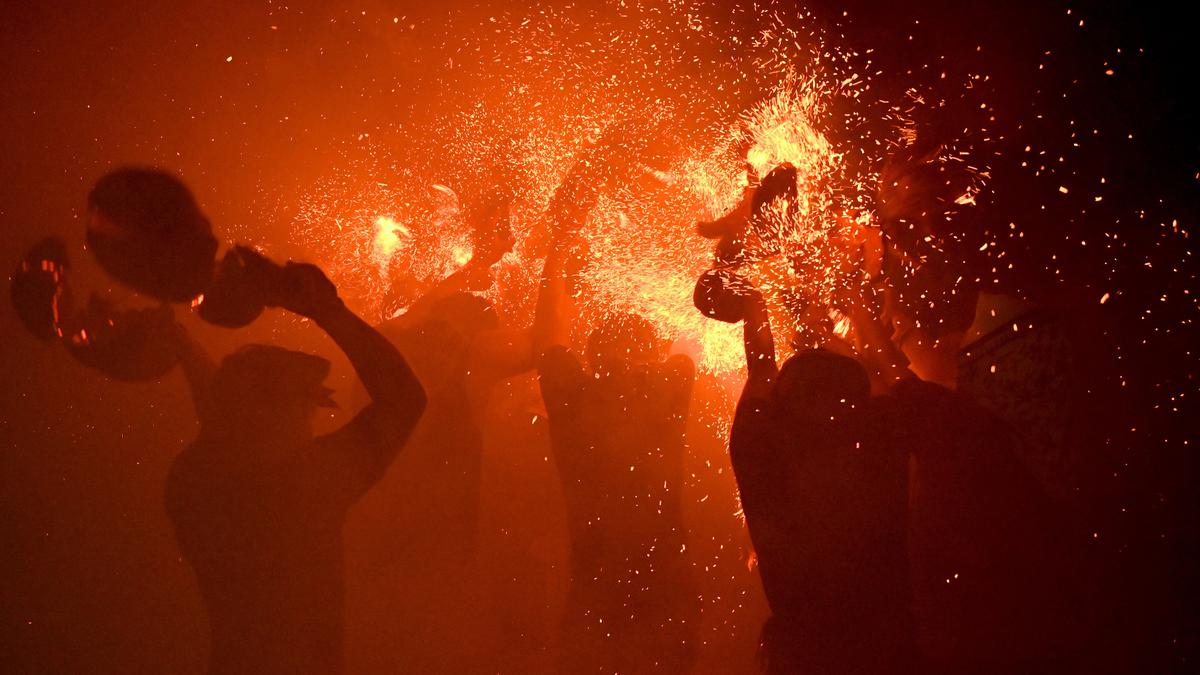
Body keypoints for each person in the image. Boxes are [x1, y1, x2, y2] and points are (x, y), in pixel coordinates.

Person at [164, 261, 426, 675]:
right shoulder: (300, 488)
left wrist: (184, 345)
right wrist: (327, 310)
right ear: (272, 415)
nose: (310, 416)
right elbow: (404, 400)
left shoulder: (191, 482)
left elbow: (221, 423)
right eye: (302, 404)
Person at [719, 274, 916, 675]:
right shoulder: (882, 446)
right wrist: (848, 311)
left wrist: (753, 303)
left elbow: (761, 372)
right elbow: (886, 380)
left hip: (805, 657)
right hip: (894, 650)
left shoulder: (760, 460)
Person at [535, 231, 701, 673]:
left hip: (595, 593)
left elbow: (548, 341)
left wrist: (556, 257)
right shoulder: (671, 388)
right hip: (668, 591)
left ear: (592, 357)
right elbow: (690, 338)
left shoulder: (570, 397)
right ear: (652, 357)